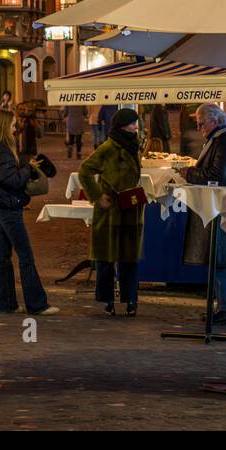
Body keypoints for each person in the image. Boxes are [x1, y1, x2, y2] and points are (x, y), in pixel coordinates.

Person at [0, 108, 57, 316]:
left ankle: (5, 303)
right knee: (25, 254)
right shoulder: (3, 149)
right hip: (8, 206)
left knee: (3, 254)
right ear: (4, 125)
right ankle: (37, 304)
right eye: (13, 124)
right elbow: (11, 179)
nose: (16, 127)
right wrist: (29, 169)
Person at [78, 108, 145, 316]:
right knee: (107, 257)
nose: (137, 127)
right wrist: (98, 196)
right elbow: (85, 171)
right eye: (133, 123)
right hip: (111, 211)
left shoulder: (133, 145)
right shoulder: (108, 147)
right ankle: (108, 299)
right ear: (123, 126)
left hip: (130, 207)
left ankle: (131, 299)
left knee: (129, 257)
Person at [183, 103, 226, 325]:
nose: (200, 129)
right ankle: (223, 306)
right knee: (217, 257)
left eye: (202, 124)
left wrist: (189, 172)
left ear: (215, 121)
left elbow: (218, 176)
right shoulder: (218, 139)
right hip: (216, 205)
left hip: (222, 206)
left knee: (221, 257)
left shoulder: (224, 140)